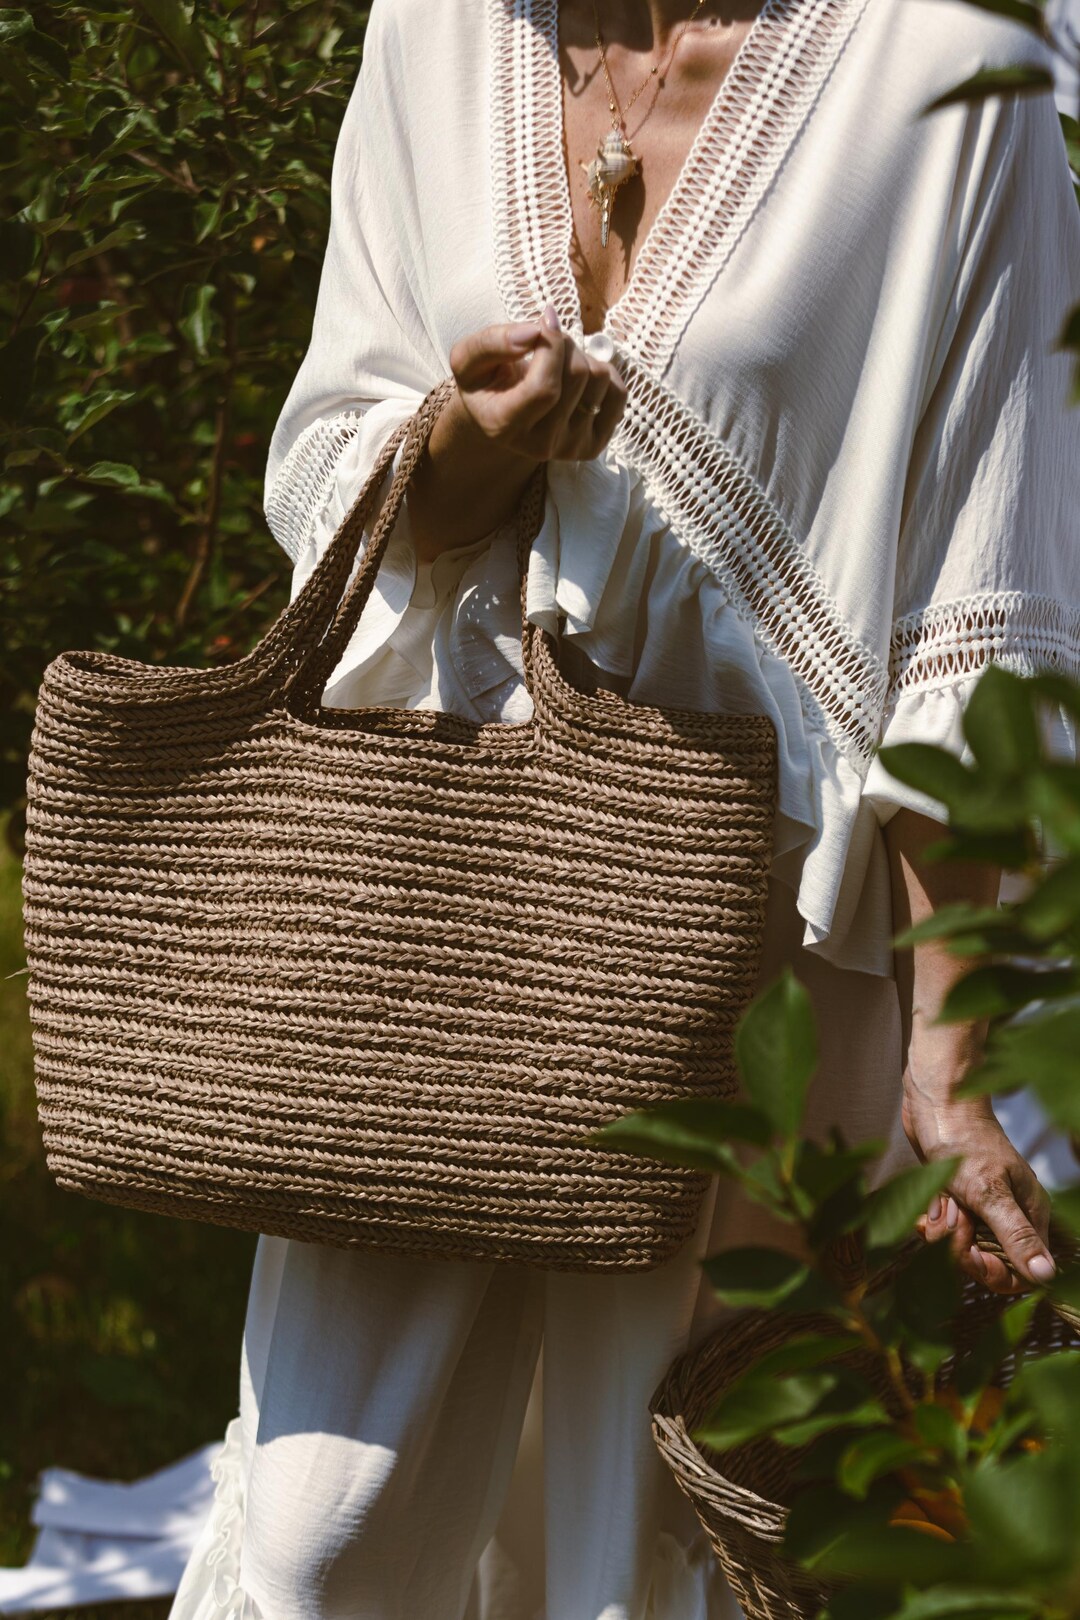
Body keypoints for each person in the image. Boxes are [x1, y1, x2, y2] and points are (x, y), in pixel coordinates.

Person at [168, 0, 1080, 1615]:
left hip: (751, 960)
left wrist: (952, 1062)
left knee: (631, 1556)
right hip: (427, 914)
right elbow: (328, 453)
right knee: (319, 1543)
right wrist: (459, 443)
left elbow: (981, 608)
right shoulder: (431, 27)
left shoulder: (947, 58)